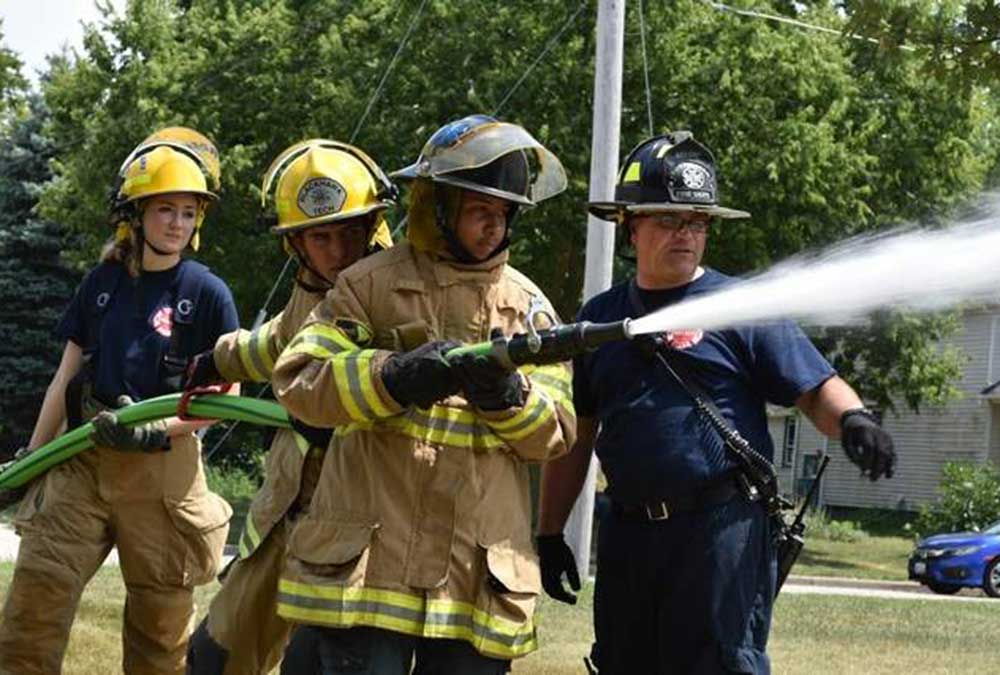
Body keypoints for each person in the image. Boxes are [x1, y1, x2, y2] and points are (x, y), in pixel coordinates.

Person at [535, 131, 896, 675]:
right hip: (629, 535)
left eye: (697, 223)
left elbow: (816, 387)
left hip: (720, 532)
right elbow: (579, 435)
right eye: (669, 221)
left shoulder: (740, 307)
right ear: (631, 225)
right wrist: (549, 531)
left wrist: (853, 418)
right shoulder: (600, 318)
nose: (687, 234)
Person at [269, 115, 576, 674]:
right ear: (438, 207)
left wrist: (508, 396)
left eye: (504, 212)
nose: (494, 226)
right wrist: (392, 376)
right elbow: (300, 377)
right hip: (370, 574)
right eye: (481, 210)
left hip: (473, 578)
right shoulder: (367, 285)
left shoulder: (528, 308)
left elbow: (555, 432)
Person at [0, 128, 240, 674]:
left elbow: (228, 394)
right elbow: (65, 377)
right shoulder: (102, 283)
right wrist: (30, 459)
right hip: (83, 460)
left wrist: (158, 431)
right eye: (164, 210)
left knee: (160, 633)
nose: (177, 223)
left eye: (188, 211)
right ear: (135, 214)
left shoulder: (207, 293)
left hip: (163, 473)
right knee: (33, 606)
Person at [184, 139, 396, 675]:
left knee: (313, 663)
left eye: (349, 232)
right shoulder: (308, 291)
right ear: (294, 245)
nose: (337, 250)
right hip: (287, 505)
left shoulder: (398, 293)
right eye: (319, 237)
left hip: (356, 519)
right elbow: (277, 341)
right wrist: (218, 358)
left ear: (372, 225)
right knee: (215, 655)